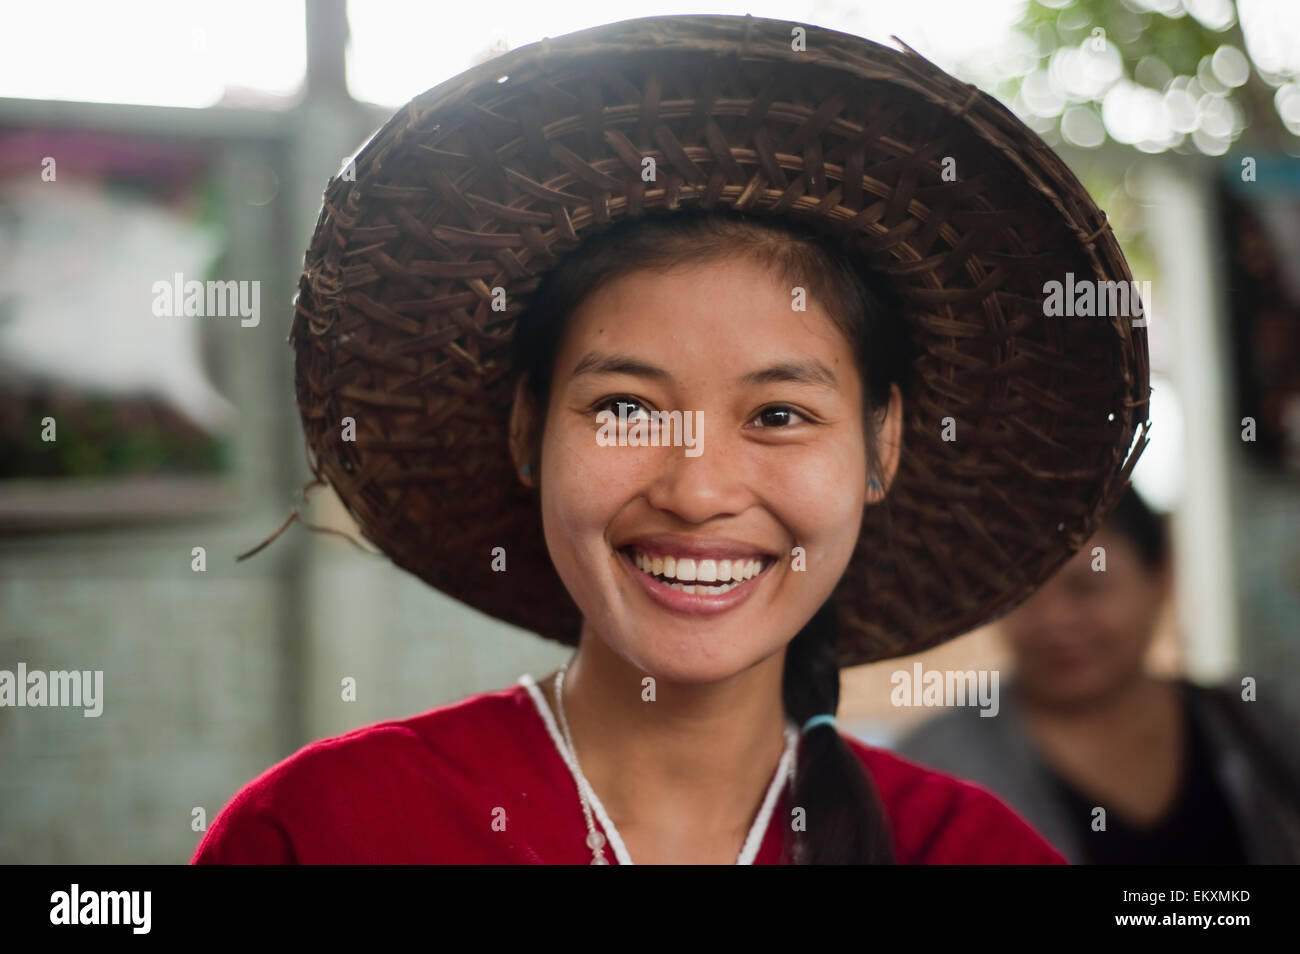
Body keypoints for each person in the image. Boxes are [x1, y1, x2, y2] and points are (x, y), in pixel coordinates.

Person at [192, 14, 1150, 864]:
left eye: (779, 415)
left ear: (883, 445)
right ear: (530, 429)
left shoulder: (969, 851)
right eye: (625, 408)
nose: (697, 492)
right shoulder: (327, 833)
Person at [895, 487, 1300, 863]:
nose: (1054, 620)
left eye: (1085, 587)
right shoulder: (936, 765)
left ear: (1161, 578)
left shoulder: (1254, 725)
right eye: (1023, 596)